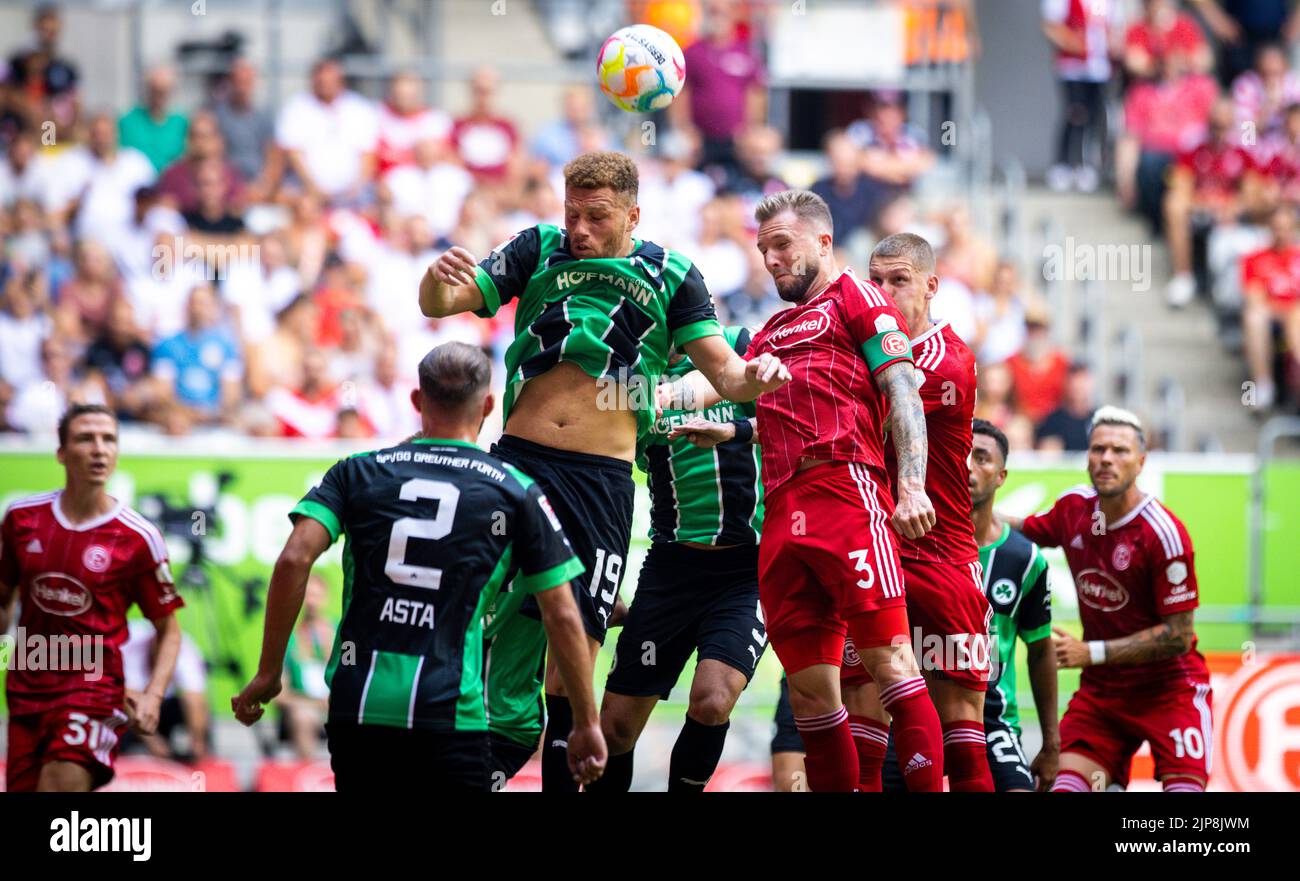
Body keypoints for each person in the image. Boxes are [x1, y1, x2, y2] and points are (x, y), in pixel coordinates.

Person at [420, 150, 789, 791]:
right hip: (519, 463)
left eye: (596, 217)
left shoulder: (673, 274)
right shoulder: (537, 248)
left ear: (633, 214)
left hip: (601, 482)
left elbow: (729, 375)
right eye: (572, 215)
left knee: (574, 659)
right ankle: (471, 759)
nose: (580, 230)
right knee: (481, 618)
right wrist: (433, 280)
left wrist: (755, 379)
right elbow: (443, 300)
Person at [233, 342, 607, 791]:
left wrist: (269, 672)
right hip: (452, 709)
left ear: (416, 401)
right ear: (488, 405)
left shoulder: (357, 472)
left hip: (360, 706)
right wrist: (585, 720)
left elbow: (295, 558)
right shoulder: (515, 491)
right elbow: (563, 613)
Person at [669, 190, 943, 792]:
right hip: (781, 515)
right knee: (812, 695)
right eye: (763, 248)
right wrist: (642, 397)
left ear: (823, 241)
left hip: (846, 492)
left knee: (891, 664)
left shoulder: (860, 297)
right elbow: (729, 382)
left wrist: (912, 485)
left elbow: (901, 387)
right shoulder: (771, 329)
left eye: (782, 244)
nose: (770, 258)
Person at [585, 325, 766, 792]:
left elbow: (787, 422)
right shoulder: (626, 384)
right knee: (615, 729)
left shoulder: (740, 346)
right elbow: (605, 485)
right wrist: (606, 584)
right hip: (670, 568)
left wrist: (736, 429)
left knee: (712, 699)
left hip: (747, 569)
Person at [1001, 407, 1212, 793]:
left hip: (1169, 691)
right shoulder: (1073, 510)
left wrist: (1091, 652)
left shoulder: (1163, 534)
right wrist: (965, 510)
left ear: (1141, 461)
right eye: (1098, 449)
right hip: (1103, 696)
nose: (1106, 459)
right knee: (1061, 788)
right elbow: (1019, 530)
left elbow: (1179, 636)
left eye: (1119, 451)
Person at [850, 233, 992, 792]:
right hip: (874, 553)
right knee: (862, 708)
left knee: (963, 735)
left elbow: (855, 415)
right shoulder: (871, 347)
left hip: (940, 556)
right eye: (875, 281)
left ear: (931, 286)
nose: (882, 293)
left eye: (898, 281)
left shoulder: (944, 359)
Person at [1, 403, 184, 791]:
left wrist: (153, 695)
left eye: (109, 439)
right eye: (86, 439)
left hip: (93, 690)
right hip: (26, 691)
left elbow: (168, 628)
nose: (100, 449)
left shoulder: (138, 537)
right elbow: (3, 602)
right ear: (61, 453)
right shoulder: (21, 519)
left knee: (59, 785)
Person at [966, 419, 1059, 792]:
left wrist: (1051, 743)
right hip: (914, 713)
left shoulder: (1024, 558)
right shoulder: (907, 540)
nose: (968, 465)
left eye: (981, 458)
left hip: (993, 720)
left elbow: (1040, 652)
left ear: (1001, 476)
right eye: (959, 454)